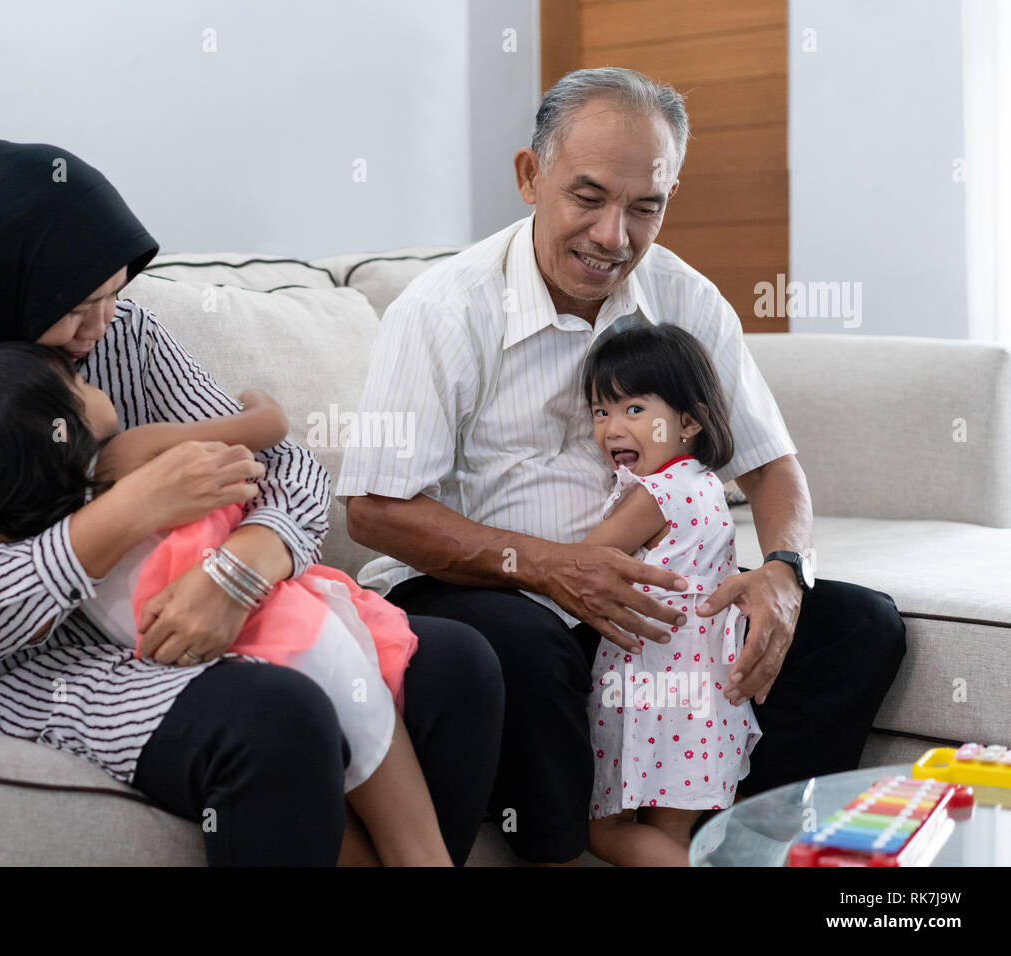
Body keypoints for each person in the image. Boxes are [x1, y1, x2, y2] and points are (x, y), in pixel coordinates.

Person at [0, 129, 504, 866]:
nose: (100, 327)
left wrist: (243, 567)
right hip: (40, 675)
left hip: (211, 609)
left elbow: (288, 467)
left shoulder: (122, 336)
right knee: (279, 720)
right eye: (76, 306)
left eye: (113, 296)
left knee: (459, 667)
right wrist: (127, 513)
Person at [337, 68, 906, 864]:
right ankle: (565, 845)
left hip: (649, 607)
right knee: (526, 647)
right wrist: (553, 567)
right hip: (493, 587)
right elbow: (374, 510)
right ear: (530, 176)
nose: (614, 236)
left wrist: (783, 571)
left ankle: (735, 843)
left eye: (646, 207)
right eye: (589, 197)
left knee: (859, 627)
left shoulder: (686, 298)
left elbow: (773, 467)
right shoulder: (442, 309)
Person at [0, 340, 452, 866]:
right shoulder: (125, 455)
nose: (94, 383)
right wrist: (255, 399)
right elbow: (264, 428)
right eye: (79, 383)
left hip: (223, 665)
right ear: (67, 422)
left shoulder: (22, 528)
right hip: (296, 635)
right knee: (416, 846)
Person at [578, 323, 761, 866]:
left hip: (652, 688)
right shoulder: (705, 484)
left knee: (600, 830)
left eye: (634, 409)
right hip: (705, 696)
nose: (612, 428)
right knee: (672, 832)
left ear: (689, 422)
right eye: (600, 411)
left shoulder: (656, 494)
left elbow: (581, 564)